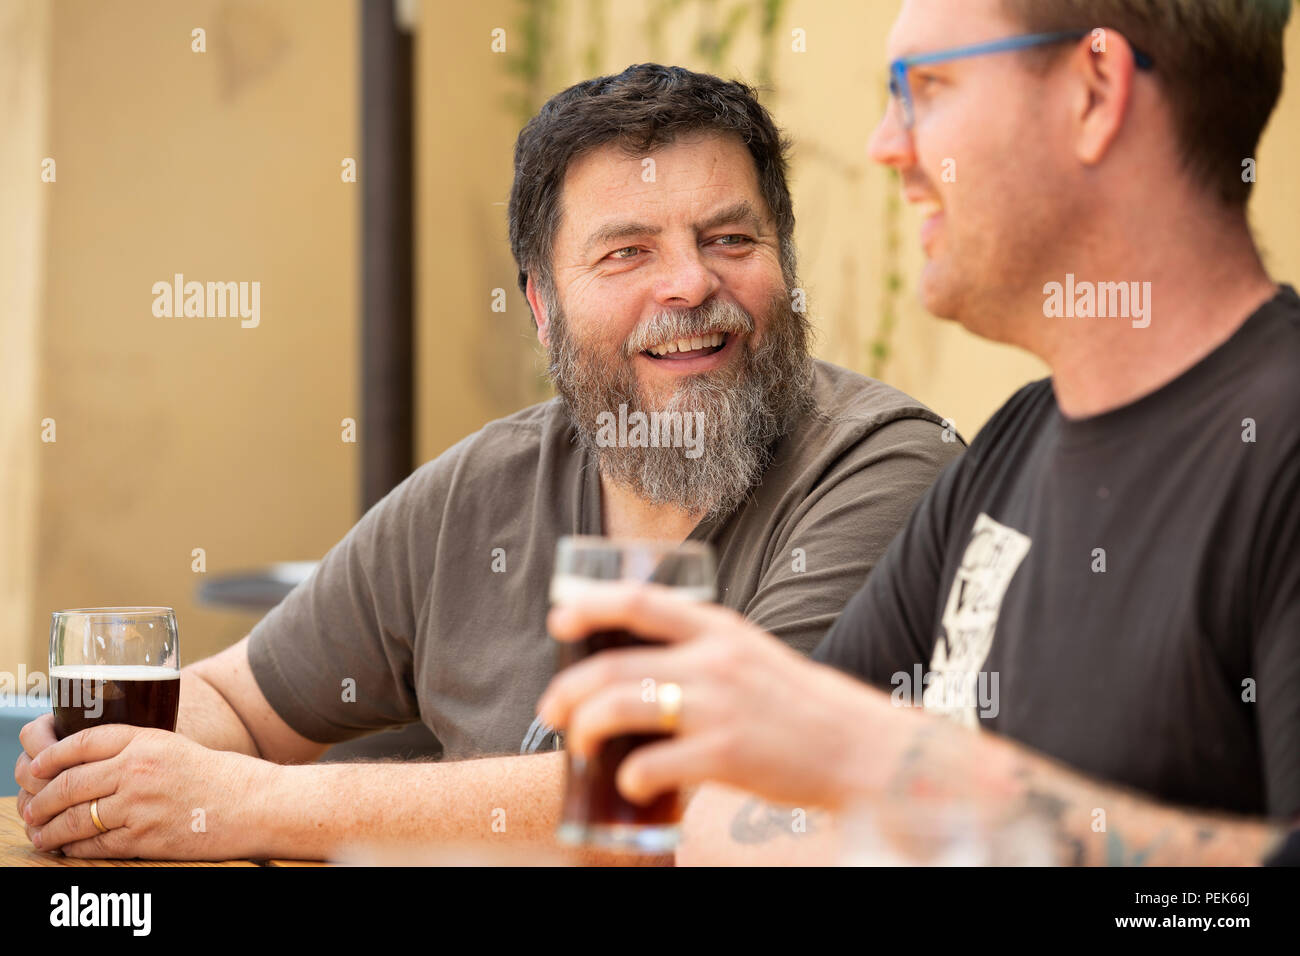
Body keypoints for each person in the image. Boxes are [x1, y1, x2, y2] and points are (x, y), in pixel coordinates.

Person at [13, 65, 959, 860]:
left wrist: (245, 805)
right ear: (543, 310)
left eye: (730, 239)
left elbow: (723, 794)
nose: (690, 283)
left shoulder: (883, 471)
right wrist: (115, 771)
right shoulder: (482, 488)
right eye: (627, 252)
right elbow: (239, 703)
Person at [537, 0, 1300, 865]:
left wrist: (901, 773)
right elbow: (731, 809)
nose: (886, 146)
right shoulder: (1016, 446)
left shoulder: (1279, 451)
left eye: (926, 88)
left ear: (1094, 92)